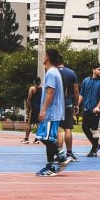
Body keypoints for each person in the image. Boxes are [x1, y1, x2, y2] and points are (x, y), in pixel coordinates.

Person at [35, 47, 66, 177]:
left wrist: (43, 110)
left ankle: (54, 163)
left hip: (51, 112)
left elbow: (50, 92)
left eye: (44, 55)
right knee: (43, 137)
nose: (43, 58)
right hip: (52, 112)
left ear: (47, 57)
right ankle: (57, 158)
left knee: (47, 138)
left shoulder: (51, 73)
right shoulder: (53, 72)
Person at [77, 63, 100, 157]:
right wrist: (77, 105)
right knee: (84, 128)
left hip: (97, 110)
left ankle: (94, 150)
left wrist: (98, 107)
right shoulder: (86, 81)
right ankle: (96, 145)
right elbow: (81, 94)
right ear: (93, 70)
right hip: (87, 109)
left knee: (95, 130)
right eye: (99, 69)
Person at [57, 54, 79, 162]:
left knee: (58, 129)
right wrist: (77, 104)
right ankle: (69, 153)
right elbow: (76, 90)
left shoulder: (53, 72)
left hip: (57, 104)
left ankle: (59, 154)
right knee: (68, 129)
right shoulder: (71, 72)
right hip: (68, 103)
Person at [23, 78, 42, 143]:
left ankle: (26, 139)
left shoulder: (32, 88)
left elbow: (29, 99)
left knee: (29, 123)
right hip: (39, 108)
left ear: (34, 82)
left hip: (33, 108)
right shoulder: (42, 89)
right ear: (40, 82)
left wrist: (28, 109)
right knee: (38, 123)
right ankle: (37, 139)